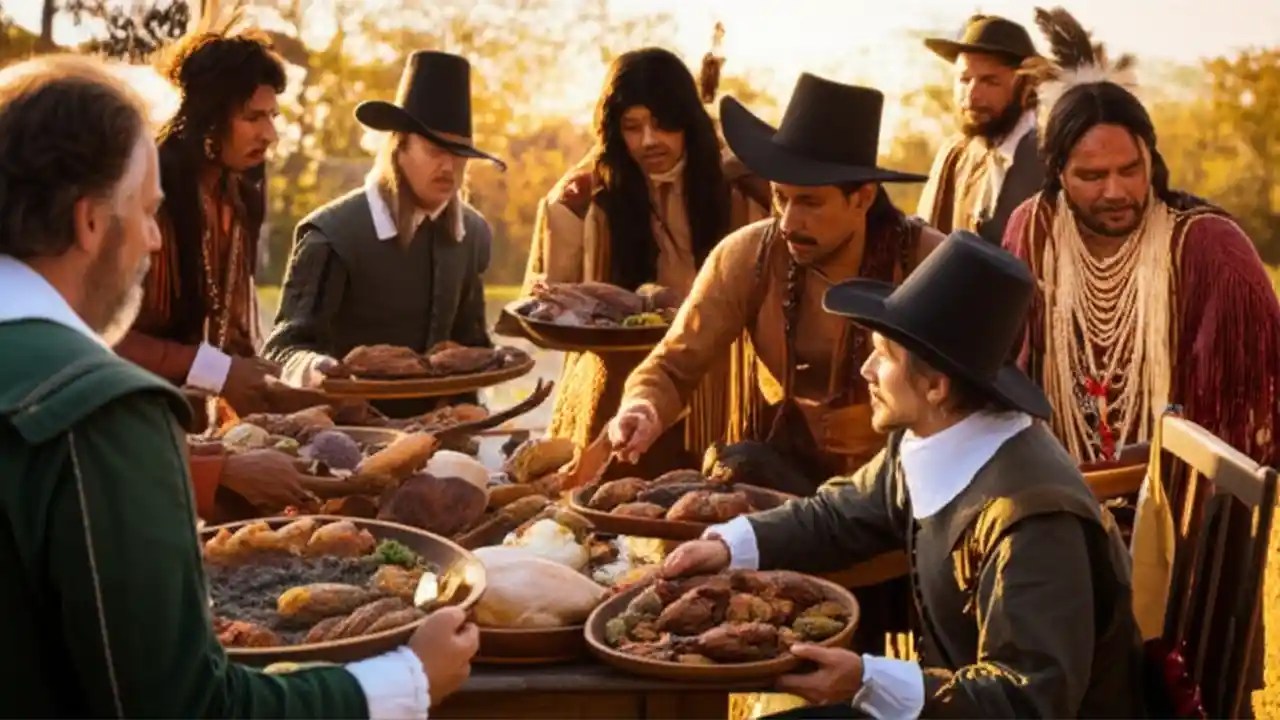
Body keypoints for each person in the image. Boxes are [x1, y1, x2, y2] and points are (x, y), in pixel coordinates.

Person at [0, 54, 476, 717]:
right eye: (144, 214)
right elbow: (181, 706)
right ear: (87, 222)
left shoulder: (245, 199)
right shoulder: (104, 413)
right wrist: (407, 679)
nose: (153, 243)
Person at [663, 231, 1146, 718]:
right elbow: (841, 513)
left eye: (884, 356)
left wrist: (869, 679)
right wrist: (727, 544)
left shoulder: (1033, 520)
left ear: (936, 385)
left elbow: (1029, 698)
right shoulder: (930, 438)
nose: (867, 371)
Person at [609, 74, 942, 488]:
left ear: (863, 198)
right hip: (778, 477)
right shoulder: (749, 256)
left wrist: (893, 424)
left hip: (909, 486)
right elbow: (674, 364)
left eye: (809, 202)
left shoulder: (929, 264)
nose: (787, 221)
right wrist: (643, 407)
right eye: (780, 197)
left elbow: (977, 403)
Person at [1004, 8, 1280, 467]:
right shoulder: (1033, 231)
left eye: (1130, 169)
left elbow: (1248, 414)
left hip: (1179, 507)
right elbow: (1006, 376)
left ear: (1150, 157)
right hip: (1058, 496)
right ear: (1057, 174)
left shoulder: (1209, 248)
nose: (1116, 191)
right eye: (1091, 176)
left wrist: (1158, 466)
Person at [518, 47, 769, 474]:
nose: (649, 141)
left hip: (715, 387)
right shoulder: (583, 198)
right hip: (613, 386)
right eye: (633, 127)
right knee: (601, 515)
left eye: (662, 124)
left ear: (687, 121)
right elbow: (546, 307)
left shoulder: (742, 186)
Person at [263, 51, 500, 417]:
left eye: (460, 153)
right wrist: (320, 370)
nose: (449, 166)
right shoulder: (333, 236)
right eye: (436, 149)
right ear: (400, 145)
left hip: (445, 434)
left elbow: (469, 344)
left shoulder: (473, 234)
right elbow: (284, 349)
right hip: (342, 434)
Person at [114, 26, 319, 423]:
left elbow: (234, 347)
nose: (271, 134)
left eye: (272, 116)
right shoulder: (148, 195)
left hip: (191, 427)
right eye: (253, 117)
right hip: (125, 422)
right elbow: (105, 336)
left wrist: (318, 401)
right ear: (208, 118)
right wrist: (216, 371)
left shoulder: (237, 197)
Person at [916, 14, 1044, 244]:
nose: (973, 95)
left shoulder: (1055, 157)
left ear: (1027, 85)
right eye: (965, 80)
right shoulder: (954, 155)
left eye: (990, 81)